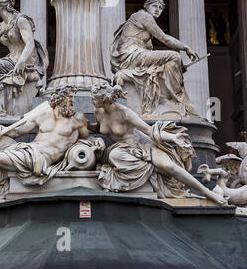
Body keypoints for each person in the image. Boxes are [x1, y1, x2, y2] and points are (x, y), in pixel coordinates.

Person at [92, 83, 225, 204]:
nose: (92, 100)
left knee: (169, 167)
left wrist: (173, 137)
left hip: (142, 145)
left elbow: (149, 130)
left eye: (94, 98)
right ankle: (151, 169)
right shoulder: (98, 112)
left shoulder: (124, 113)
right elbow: (100, 129)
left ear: (104, 100)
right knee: (114, 155)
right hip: (121, 148)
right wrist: (86, 130)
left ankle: (208, 193)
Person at [110, 0, 201, 118]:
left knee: (169, 63)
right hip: (132, 55)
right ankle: (177, 97)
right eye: (154, 6)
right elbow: (164, 38)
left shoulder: (142, 23)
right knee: (174, 56)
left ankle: (172, 99)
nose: (158, 9)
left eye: (160, 7)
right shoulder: (144, 16)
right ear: (147, 7)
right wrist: (186, 48)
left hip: (134, 56)